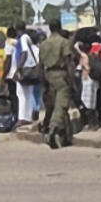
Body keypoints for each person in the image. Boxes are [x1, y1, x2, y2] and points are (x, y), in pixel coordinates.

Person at [40, 19, 77, 148]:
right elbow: (68, 62)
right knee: (61, 106)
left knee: (57, 105)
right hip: (61, 75)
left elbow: (40, 65)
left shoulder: (44, 44)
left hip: (48, 75)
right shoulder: (63, 42)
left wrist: (43, 82)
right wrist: (71, 80)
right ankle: (53, 130)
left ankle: (65, 135)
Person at [12, 23, 41, 129]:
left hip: (24, 70)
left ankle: (22, 118)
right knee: (28, 94)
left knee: (21, 94)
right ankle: (27, 117)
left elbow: (24, 53)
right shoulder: (27, 38)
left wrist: (18, 69)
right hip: (29, 69)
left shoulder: (23, 38)